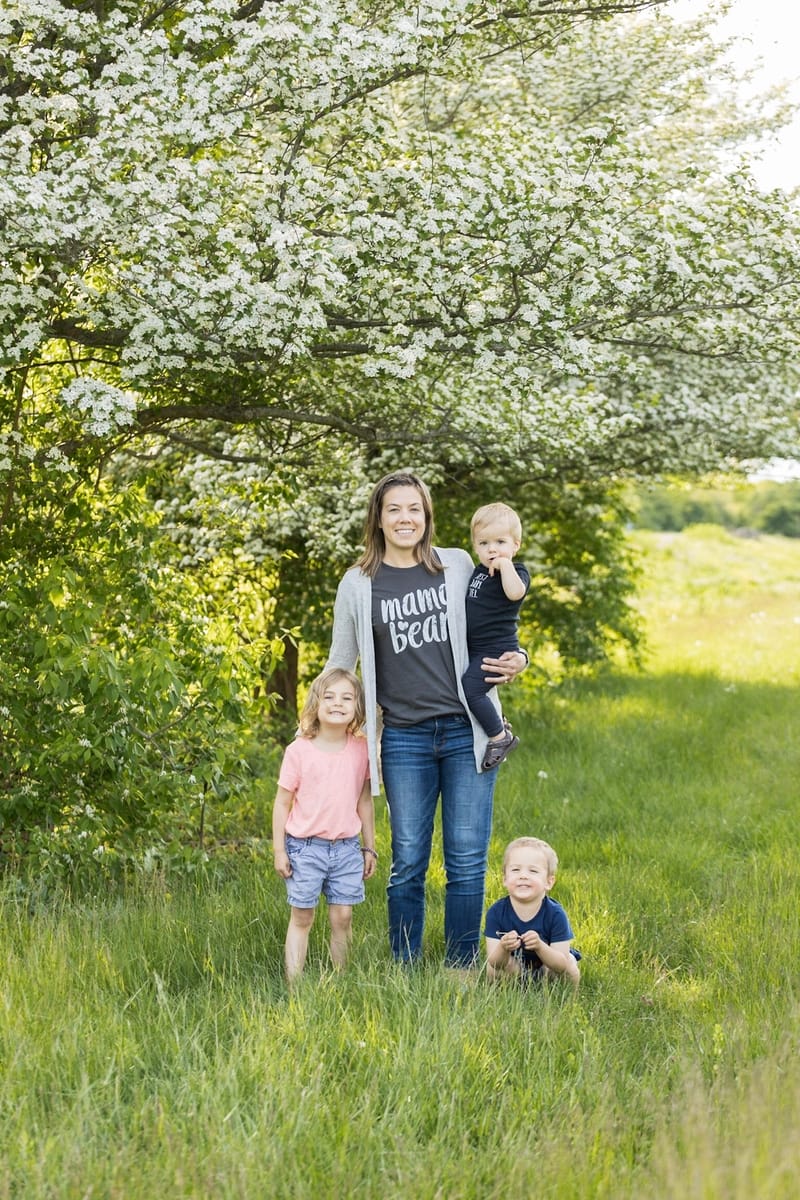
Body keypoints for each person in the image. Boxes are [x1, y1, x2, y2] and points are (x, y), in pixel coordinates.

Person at [325, 470, 527, 968]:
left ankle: (461, 968)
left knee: (465, 860)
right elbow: (340, 662)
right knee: (409, 861)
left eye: (413, 508)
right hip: (403, 739)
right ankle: (406, 966)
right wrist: (317, 728)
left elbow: (500, 616)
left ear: (427, 516)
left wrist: (520, 656)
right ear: (378, 518)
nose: (404, 518)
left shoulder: (457, 566)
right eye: (393, 509)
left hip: (466, 731)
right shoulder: (357, 584)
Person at [272, 667, 377, 983]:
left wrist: (369, 846)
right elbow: (281, 803)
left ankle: (339, 980)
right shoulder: (299, 751)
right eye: (329, 696)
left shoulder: (362, 750)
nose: (338, 703)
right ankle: (294, 984)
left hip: (346, 848)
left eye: (347, 697)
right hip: (305, 848)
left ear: (357, 707)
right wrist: (279, 850)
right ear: (316, 703)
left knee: (342, 917)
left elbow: (365, 802)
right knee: (302, 916)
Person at [462, 502, 530, 770]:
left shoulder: (517, 571)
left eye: (500, 542)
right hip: (476, 647)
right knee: (470, 686)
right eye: (484, 543)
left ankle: (500, 736)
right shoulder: (477, 571)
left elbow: (515, 593)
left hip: (497, 649)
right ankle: (497, 726)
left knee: (471, 688)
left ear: (516, 545)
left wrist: (505, 565)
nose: (492, 549)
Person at [484, 836, 581, 987]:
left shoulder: (555, 914)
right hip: (514, 968)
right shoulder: (496, 912)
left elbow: (560, 964)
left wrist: (540, 946)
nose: (523, 875)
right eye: (515, 870)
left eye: (533, 871)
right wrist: (503, 947)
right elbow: (494, 962)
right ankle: (514, 993)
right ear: (504, 879)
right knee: (492, 970)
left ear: (549, 882)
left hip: (548, 966)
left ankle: (569, 1004)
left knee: (569, 964)